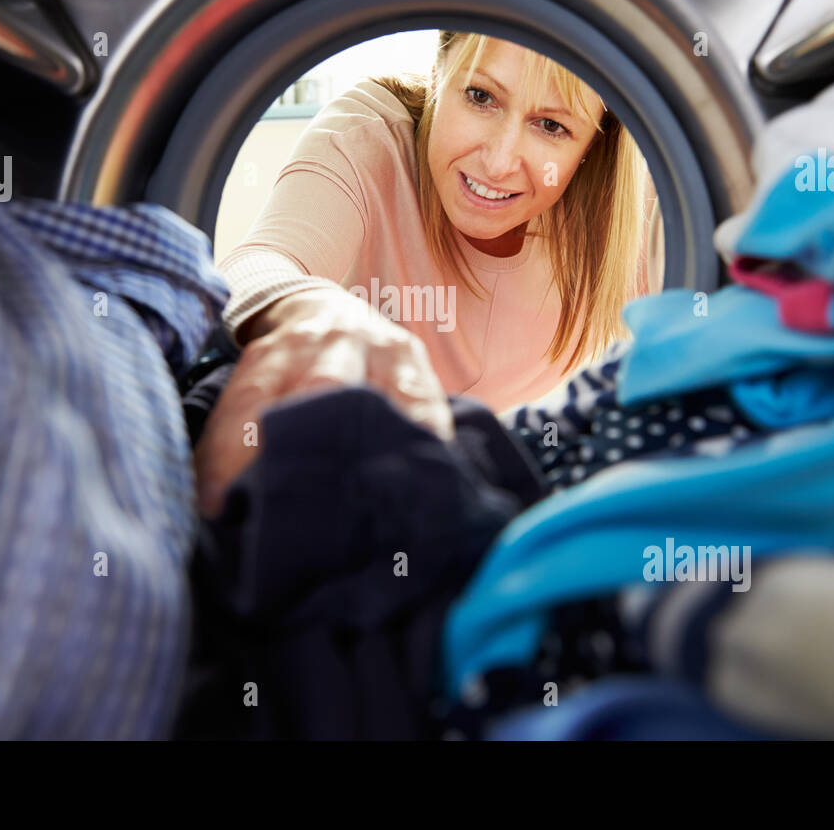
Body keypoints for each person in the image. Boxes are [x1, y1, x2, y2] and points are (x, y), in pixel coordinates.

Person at [196, 32, 654, 515]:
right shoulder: (370, 137)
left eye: (551, 126)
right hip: (361, 486)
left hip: (518, 504)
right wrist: (321, 315)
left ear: (591, 145)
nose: (498, 162)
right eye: (481, 97)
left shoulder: (630, 205)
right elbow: (256, 264)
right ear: (439, 71)